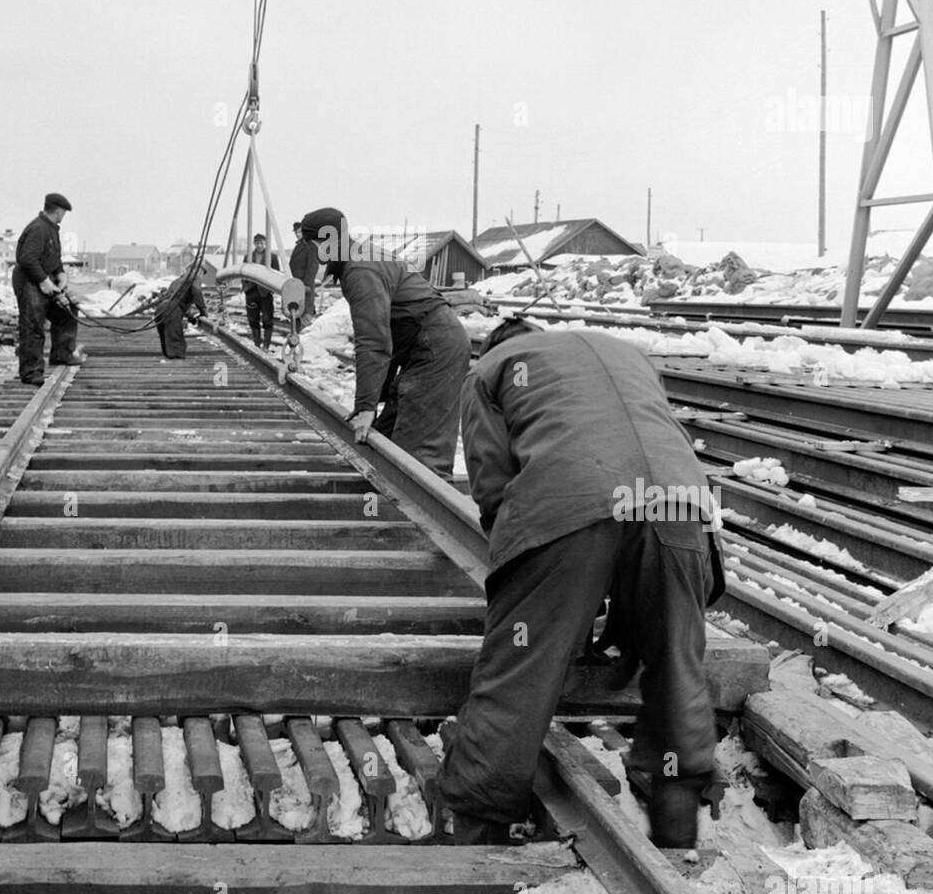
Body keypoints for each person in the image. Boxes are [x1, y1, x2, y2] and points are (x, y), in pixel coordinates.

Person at [437, 318, 725, 849]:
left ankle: (479, 830)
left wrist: (535, 591)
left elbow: (494, 485)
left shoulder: (489, 371)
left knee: (519, 673)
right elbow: (655, 440)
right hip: (681, 504)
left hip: (567, 503)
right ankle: (677, 825)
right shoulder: (626, 353)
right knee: (677, 664)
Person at [299, 207, 470, 477]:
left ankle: (431, 510)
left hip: (436, 347)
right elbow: (387, 336)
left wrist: (367, 407)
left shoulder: (360, 269)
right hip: (424, 345)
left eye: (311, 244)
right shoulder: (357, 259)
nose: (312, 254)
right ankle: (385, 501)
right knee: (386, 441)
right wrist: (371, 400)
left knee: (418, 457)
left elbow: (374, 341)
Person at [11, 193, 82, 385]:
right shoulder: (38, 229)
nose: (63, 217)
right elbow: (27, 259)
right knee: (33, 325)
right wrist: (44, 281)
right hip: (29, 282)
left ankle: (62, 353)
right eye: (63, 213)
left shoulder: (51, 229)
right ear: (58, 211)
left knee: (66, 312)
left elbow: (52, 258)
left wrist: (59, 274)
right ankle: (31, 372)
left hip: (45, 279)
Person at [156, 266, 208, 360]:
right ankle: (176, 364)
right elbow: (197, 292)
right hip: (172, 309)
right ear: (199, 272)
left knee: (166, 338)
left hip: (160, 309)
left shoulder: (176, 281)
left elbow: (176, 299)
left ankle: (169, 357)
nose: (201, 276)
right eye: (201, 274)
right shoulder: (195, 278)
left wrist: (189, 315)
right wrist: (203, 310)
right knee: (176, 344)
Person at [244, 233, 281, 349]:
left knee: (267, 319)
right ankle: (256, 343)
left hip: (265, 292)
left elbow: (277, 274)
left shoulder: (272, 257)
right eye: (257, 243)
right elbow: (243, 272)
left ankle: (266, 345)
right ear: (254, 243)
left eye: (261, 243)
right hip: (251, 291)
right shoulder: (248, 256)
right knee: (253, 318)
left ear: (265, 243)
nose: (259, 245)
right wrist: (245, 287)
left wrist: (272, 289)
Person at [289, 221, 320, 327]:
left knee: (305, 315)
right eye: (296, 232)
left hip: (305, 287)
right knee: (296, 314)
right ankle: (298, 339)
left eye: (299, 232)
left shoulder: (311, 246)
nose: (297, 234)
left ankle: (304, 339)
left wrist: (307, 284)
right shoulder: (298, 246)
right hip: (296, 286)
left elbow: (312, 266)